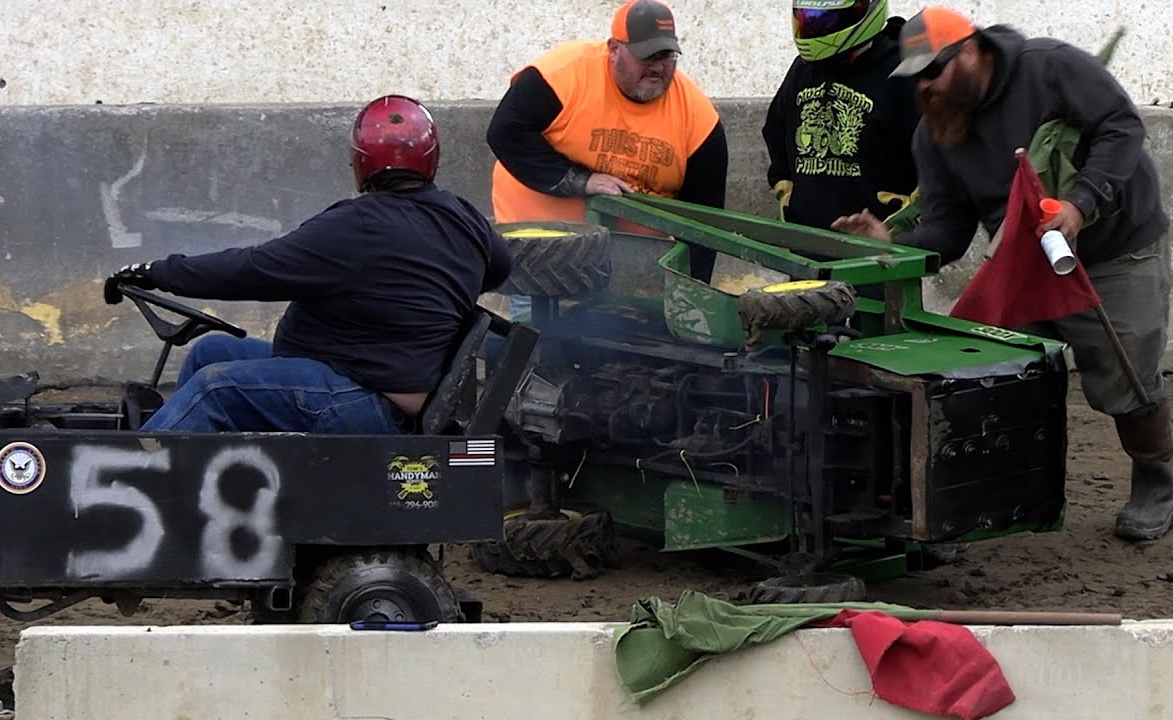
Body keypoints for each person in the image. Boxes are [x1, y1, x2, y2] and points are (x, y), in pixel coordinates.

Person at [830, 6, 1173, 541]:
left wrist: (1080, 205)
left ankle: (1157, 476)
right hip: (1025, 264)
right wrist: (891, 245)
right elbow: (947, 231)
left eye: (933, 71)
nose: (924, 87)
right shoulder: (936, 134)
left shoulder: (1049, 68)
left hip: (1114, 249)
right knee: (994, 376)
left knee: (1125, 375)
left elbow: (1121, 126)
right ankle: (988, 501)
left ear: (971, 51)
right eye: (915, 78)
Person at [102, 94, 513, 435]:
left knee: (216, 388)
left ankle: (126, 488)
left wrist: (157, 272)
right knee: (210, 352)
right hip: (356, 383)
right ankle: (215, 496)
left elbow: (251, 270)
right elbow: (499, 267)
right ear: (430, 159)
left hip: (365, 401)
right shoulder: (462, 216)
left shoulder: (357, 225)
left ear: (360, 162)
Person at [486, 0, 728, 321]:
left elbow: (703, 223)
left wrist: (691, 306)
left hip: (631, 275)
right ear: (614, 49)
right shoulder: (564, 75)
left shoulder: (699, 120)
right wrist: (580, 181)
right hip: (541, 258)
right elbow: (504, 132)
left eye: (666, 56)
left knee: (617, 361)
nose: (657, 66)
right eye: (647, 56)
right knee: (540, 352)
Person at [763, 0, 920, 234]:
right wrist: (788, 196)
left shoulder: (904, 74)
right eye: (807, 18)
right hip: (806, 248)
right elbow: (775, 133)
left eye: (824, 19)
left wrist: (897, 226)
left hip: (879, 257)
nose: (814, 27)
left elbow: (937, 168)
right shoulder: (804, 70)